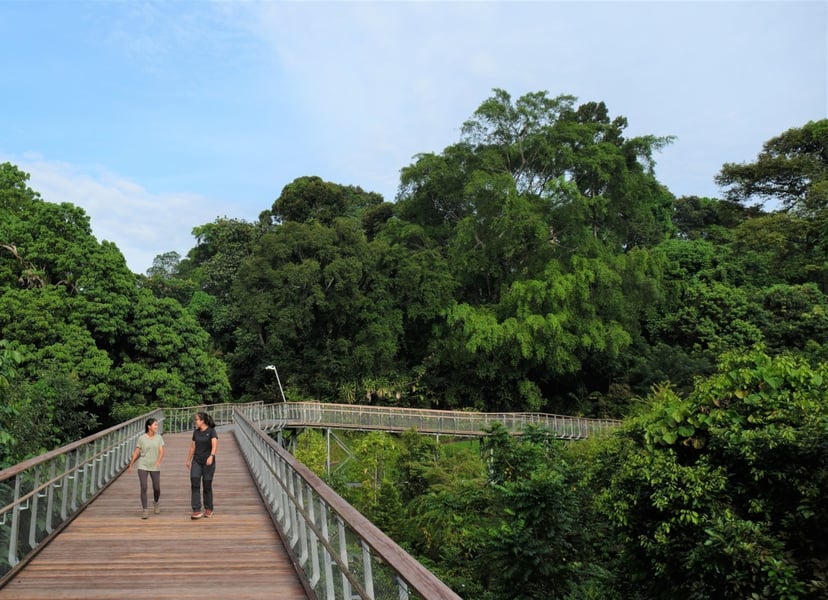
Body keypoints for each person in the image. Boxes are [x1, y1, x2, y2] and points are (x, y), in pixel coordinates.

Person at [127, 417, 165, 519]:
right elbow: (136, 452)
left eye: (157, 425)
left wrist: (159, 461)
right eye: (155, 425)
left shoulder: (159, 438)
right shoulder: (141, 438)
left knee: (156, 488)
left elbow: (161, 451)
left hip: (154, 465)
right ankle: (145, 510)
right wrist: (131, 464)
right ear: (149, 427)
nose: (157, 427)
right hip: (143, 465)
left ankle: (156, 502)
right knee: (144, 487)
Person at [185, 411, 218, 519]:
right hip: (197, 461)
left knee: (207, 485)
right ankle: (196, 509)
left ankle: (208, 508)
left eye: (197, 420)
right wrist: (188, 460)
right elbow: (192, 447)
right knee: (195, 483)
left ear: (202, 421)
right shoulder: (196, 432)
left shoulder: (212, 431)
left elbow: (214, 445)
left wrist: (211, 456)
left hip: (208, 462)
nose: (195, 421)